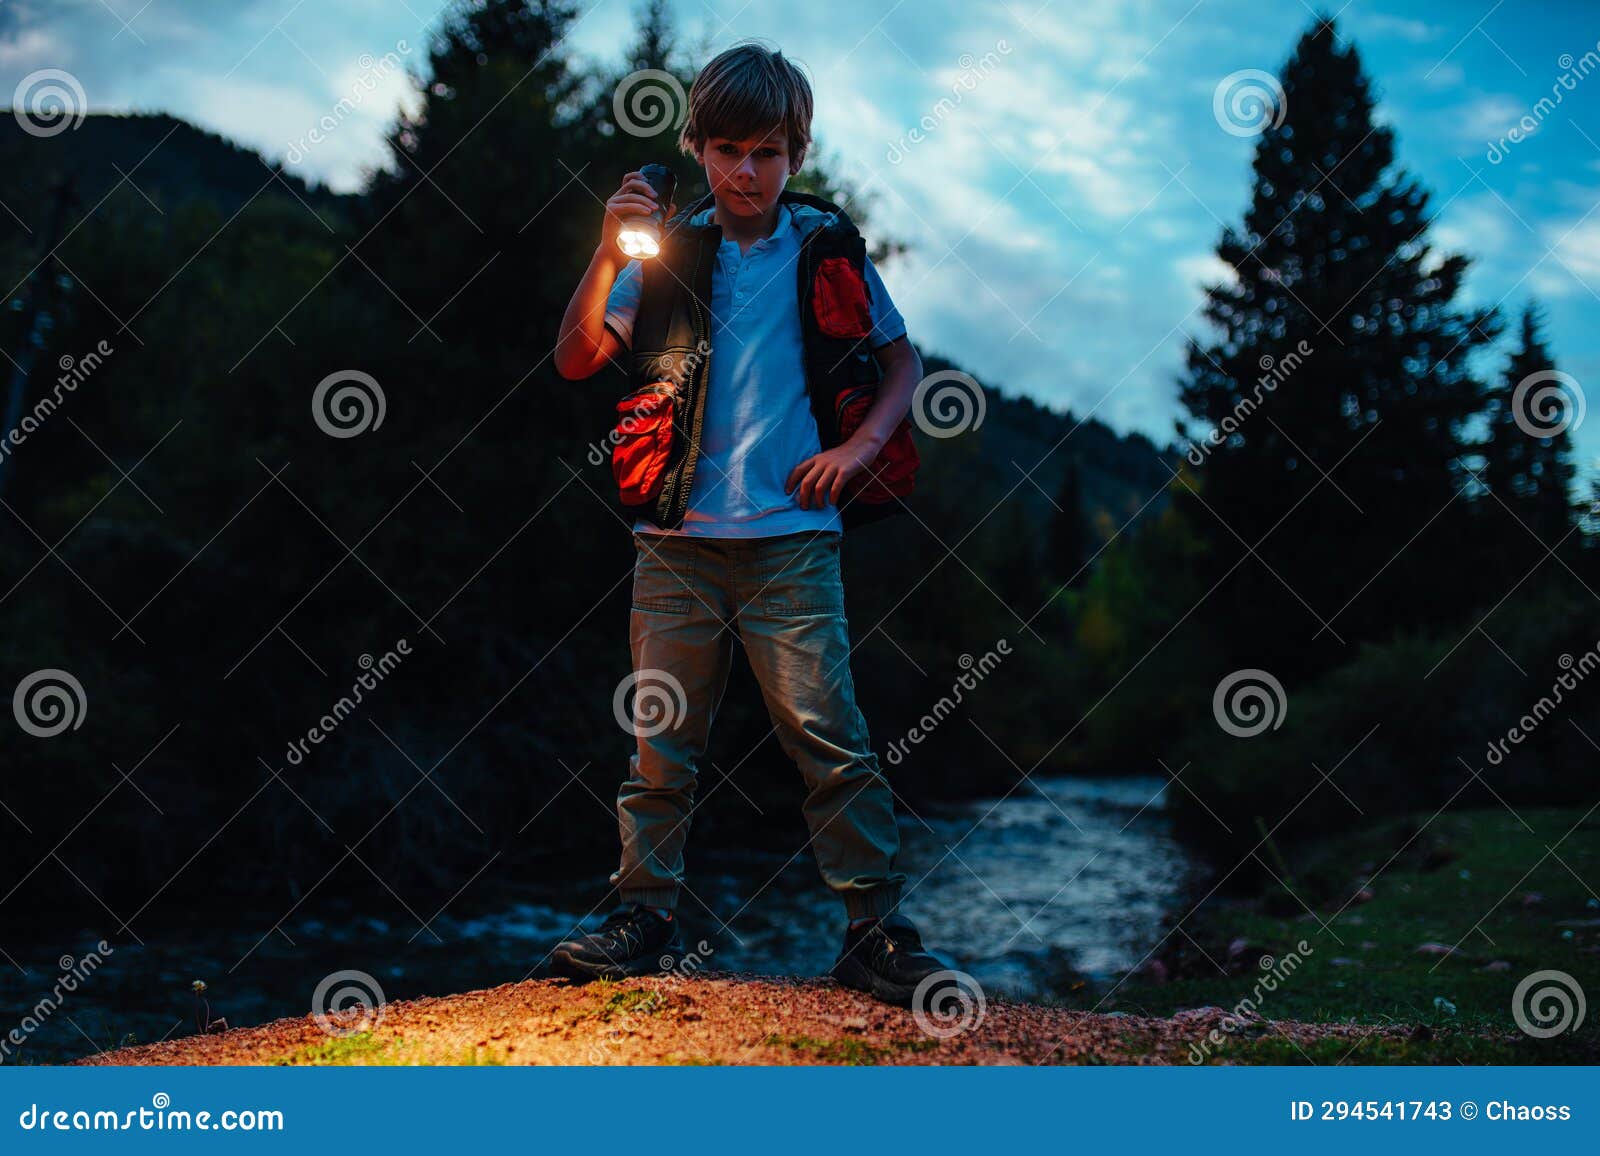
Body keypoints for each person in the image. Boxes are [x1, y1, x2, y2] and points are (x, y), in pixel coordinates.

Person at [550, 40, 952, 1007]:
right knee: (660, 742)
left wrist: (857, 454)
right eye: (727, 148)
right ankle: (639, 916)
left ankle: (872, 929)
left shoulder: (828, 248)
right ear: (695, 147)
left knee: (829, 733)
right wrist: (609, 250)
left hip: (794, 537)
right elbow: (574, 358)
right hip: (675, 542)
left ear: (796, 154)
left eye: (766, 151)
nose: (745, 170)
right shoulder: (667, 251)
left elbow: (902, 367)